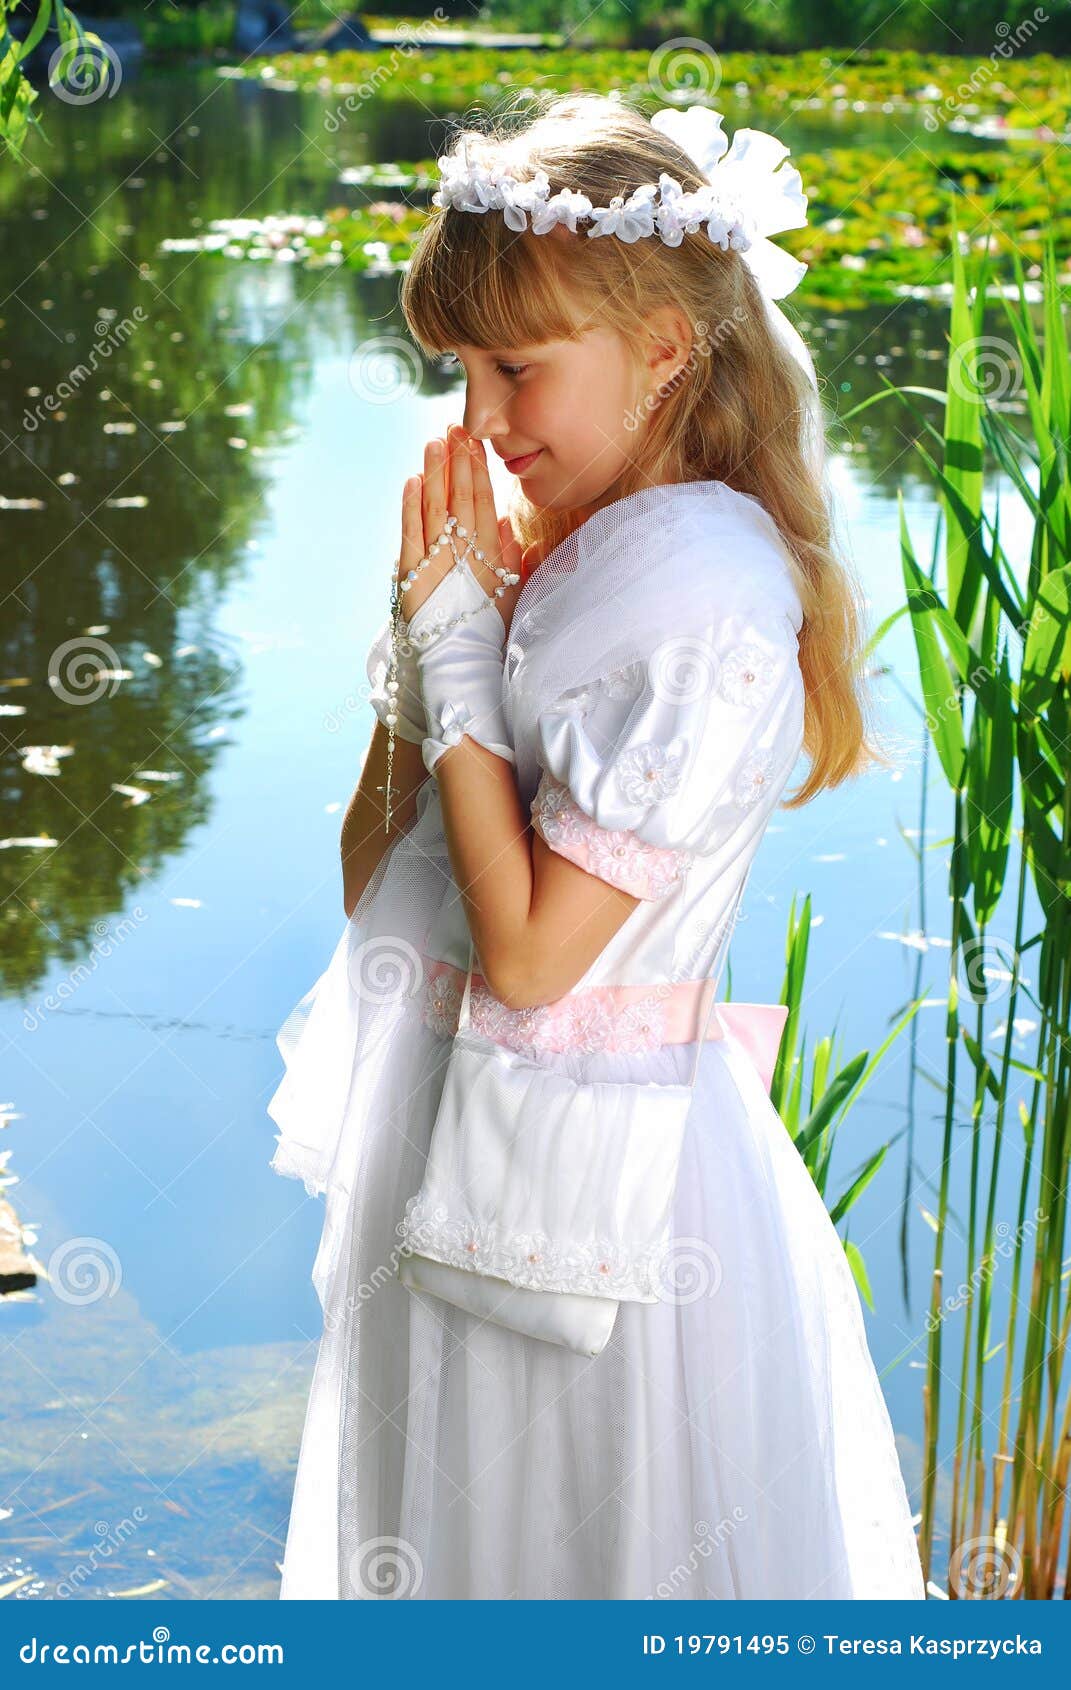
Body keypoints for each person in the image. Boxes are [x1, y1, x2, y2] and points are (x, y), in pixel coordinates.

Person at [267, 91, 926, 1601]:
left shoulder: (700, 591)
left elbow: (532, 952)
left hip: (606, 1213)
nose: (487, 422)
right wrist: (420, 641)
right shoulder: (565, 558)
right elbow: (379, 882)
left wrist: (456, 654)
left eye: (518, 370)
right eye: (465, 374)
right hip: (452, 1161)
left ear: (664, 348)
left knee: (591, 1563)